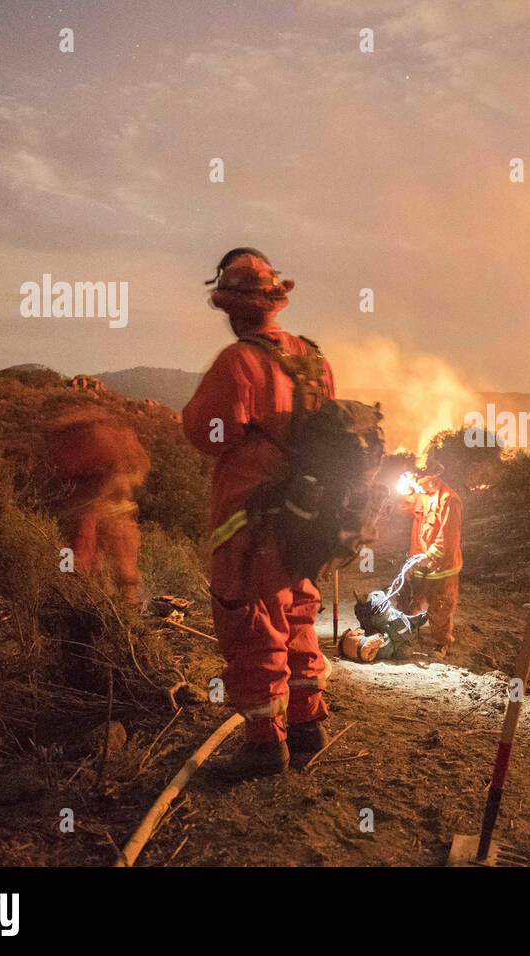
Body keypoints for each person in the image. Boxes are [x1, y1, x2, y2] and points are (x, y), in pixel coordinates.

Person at [182, 247, 334, 779]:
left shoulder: (238, 362)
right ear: (274, 301)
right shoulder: (314, 359)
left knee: (253, 625)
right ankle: (308, 723)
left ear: (230, 308)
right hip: (304, 518)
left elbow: (204, 433)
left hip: (251, 520)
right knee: (296, 615)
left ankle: (264, 747)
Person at [46, 412, 150, 605]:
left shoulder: (86, 439)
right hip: (101, 511)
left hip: (97, 510)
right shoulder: (114, 439)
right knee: (101, 566)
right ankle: (117, 610)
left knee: (78, 562)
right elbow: (138, 471)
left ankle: (75, 605)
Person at [398, 460, 462, 659]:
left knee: (441, 606)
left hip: (442, 568)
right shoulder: (420, 495)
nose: (415, 481)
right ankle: (405, 638)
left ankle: (440, 643)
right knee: (407, 601)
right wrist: (405, 496)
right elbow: (402, 512)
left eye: (417, 478)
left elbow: (448, 536)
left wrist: (431, 556)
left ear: (431, 477)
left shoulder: (449, 499)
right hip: (418, 563)